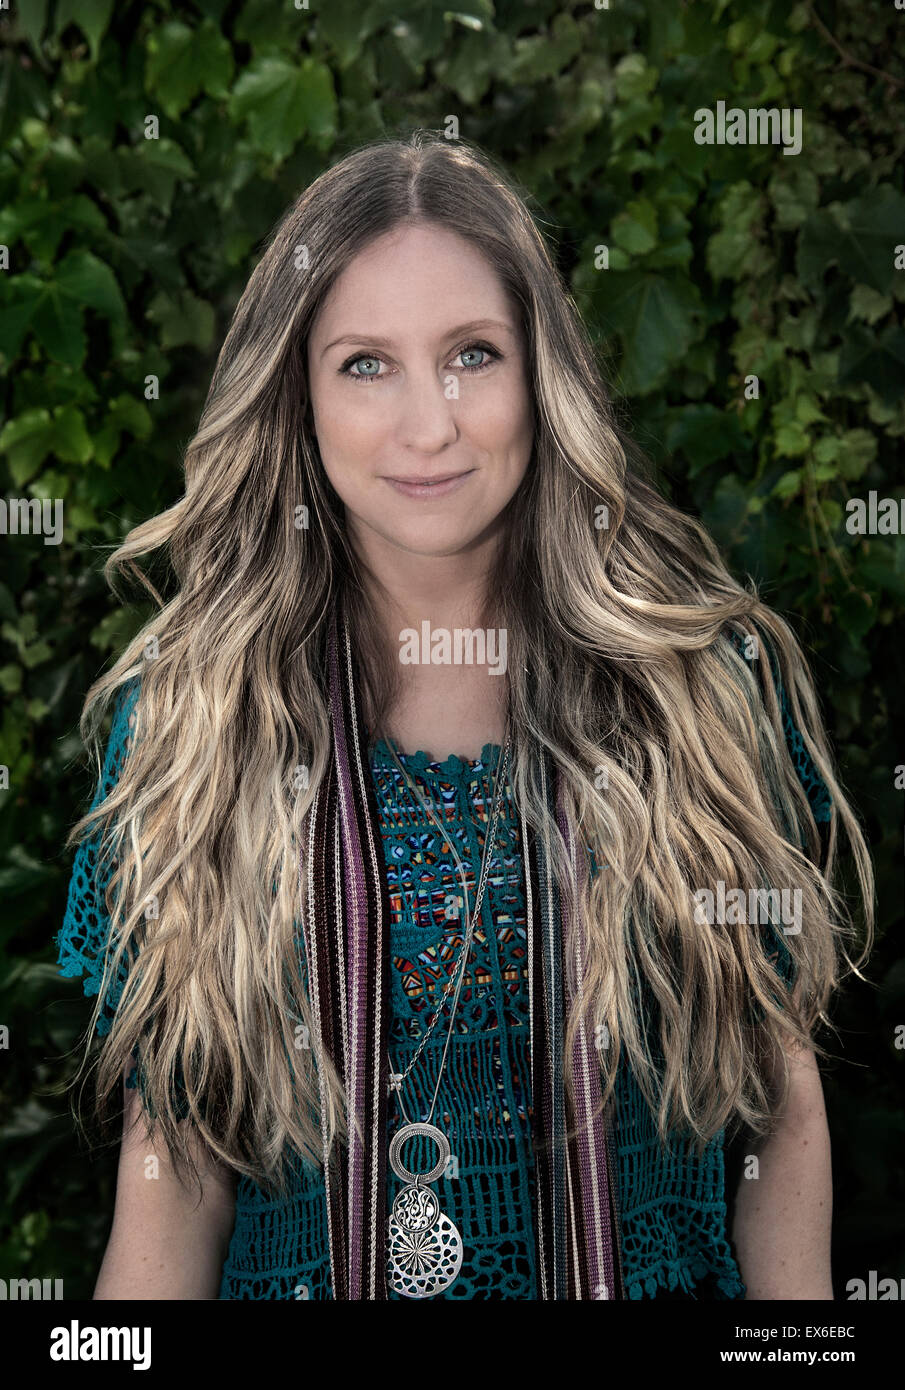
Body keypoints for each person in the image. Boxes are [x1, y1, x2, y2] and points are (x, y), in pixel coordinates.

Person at [55, 130, 873, 1301]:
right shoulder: (198, 723)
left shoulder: (691, 689)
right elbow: (174, 1171)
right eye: (365, 365)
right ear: (296, 393)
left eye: (471, 354)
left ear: (541, 374)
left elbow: (775, 1107)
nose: (429, 424)